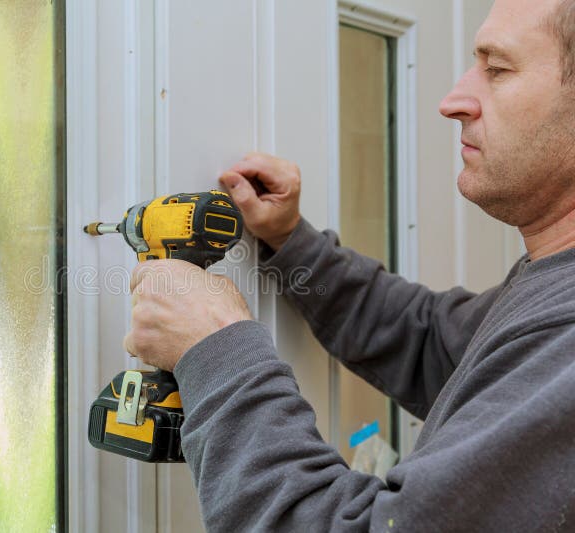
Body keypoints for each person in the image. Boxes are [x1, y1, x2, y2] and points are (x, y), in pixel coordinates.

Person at [123, 0, 575, 531]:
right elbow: (432, 345)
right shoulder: (551, 286)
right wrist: (291, 242)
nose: (453, 101)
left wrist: (217, 350)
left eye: (496, 69)